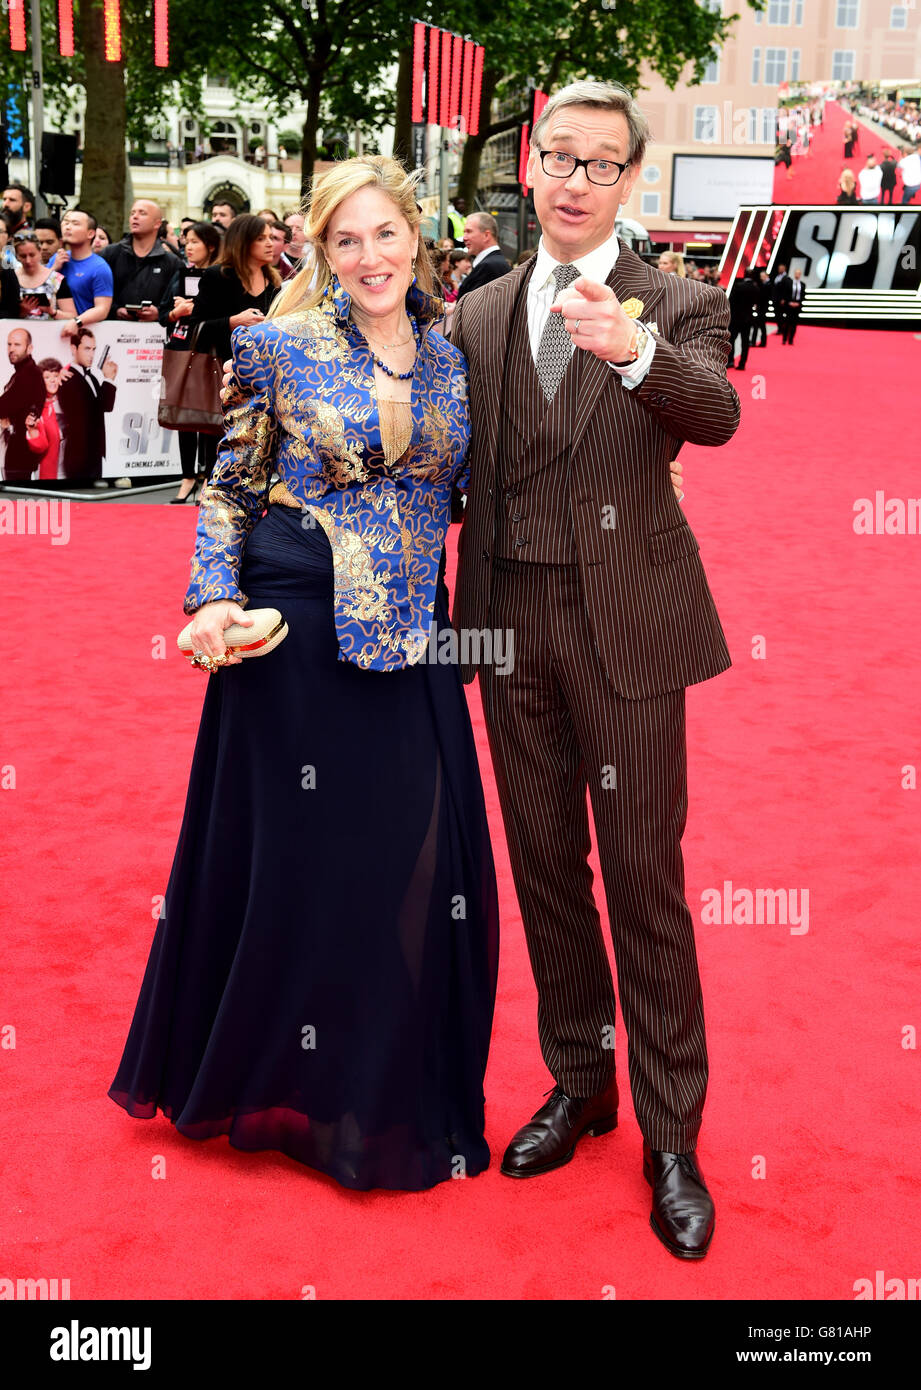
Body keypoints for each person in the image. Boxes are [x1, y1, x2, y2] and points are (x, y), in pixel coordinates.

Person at [108, 154, 501, 1194]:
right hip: (295, 626)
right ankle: (299, 1091)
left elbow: (464, 495)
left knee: (418, 861)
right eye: (345, 239)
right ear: (320, 252)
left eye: (383, 234)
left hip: (414, 633)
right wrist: (211, 600)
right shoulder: (277, 346)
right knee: (302, 863)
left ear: (413, 236)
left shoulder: (454, 359)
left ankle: (388, 1084)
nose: (369, 255)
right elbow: (229, 486)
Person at [449, 79, 740, 1260]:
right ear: (529, 165)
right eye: (557, 157)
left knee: (643, 877)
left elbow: (715, 414)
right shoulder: (474, 309)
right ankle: (583, 1080)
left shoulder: (681, 299)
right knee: (543, 865)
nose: (574, 180)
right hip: (504, 615)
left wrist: (635, 353)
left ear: (632, 181)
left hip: (627, 624)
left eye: (600, 163)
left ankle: (673, 1131)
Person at [161, 220, 223, 502]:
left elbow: (220, 314)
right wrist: (176, 312)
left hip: (209, 349)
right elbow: (163, 314)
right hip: (180, 347)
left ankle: (209, 478)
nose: (188, 246)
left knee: (209, 415)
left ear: (211, 245)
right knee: (183, 414)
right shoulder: (179, 273)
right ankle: (187, 477)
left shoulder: (220, 275)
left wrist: (195, 310)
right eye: (186, 242)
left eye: (195, 242)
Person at [188, 214, 279, 364]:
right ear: (243, 242)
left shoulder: (274, 283)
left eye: (271, 237)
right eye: (261, 238)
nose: (270, 244)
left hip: (264, 371)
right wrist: (231, 322)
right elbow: (196, 329)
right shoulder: (217, 276)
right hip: (221, 370)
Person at [101, 198, 183, 321]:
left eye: (142, 213)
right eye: (132, 213)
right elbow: (94, 292)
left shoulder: (172, 262)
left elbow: (179, 301)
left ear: (157, 224)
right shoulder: (110, 253)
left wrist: (159, 313)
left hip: (155, 334)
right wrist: (115, 310)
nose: (135, 217)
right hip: (112, 328)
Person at [56, 326, 118, 481]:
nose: (91, 354)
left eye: (94, 349)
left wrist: (109, 379)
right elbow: (87, 412)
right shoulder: (67, 378)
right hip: (78, 456)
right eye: (86, 349)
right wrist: (108, 380)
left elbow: (106, 407)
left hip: (94, 454)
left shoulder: (93, 378)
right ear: (73, 348)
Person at [55, 210, 113, 330]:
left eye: (75, 223)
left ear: (90, 233)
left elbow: (102, 309)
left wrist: (77, 322)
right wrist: (53, 268)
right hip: (54, 331)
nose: (68, 227)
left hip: (86, 332)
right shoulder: (56, 259)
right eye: (65, 222)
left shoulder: (100, 267)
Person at [0, 326, 46, 480]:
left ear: (29, 348)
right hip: (16, 448)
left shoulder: (29, 374)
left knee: (16, 495)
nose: (11, 349)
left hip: (20, 451)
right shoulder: (23, 372)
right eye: (9, 344)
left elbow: (4, 407)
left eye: (17, 345)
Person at [13, 232, 75, 320]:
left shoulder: (56, 280)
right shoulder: (11, 278)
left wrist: (51, 311)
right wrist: (21, 312)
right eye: (23, 256)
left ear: (40, 251)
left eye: (32, 255)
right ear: (17, 256)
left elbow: (72, 316)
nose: (28, 261)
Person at [24, 356, 64, 480]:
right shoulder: (37, 408)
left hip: (72, 469)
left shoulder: (69, 403)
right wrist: (33, 431)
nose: (52, 380)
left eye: (55, 376)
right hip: (48, 472)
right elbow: (40, 447)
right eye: (47, 377)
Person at [457, 213, 511, 298]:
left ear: (486, 235)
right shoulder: (493, 263)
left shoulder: (489, 266)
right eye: (464, 232)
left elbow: (473, 307)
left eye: (469, 231)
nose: (464, 237)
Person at [781, 266, 806, 343]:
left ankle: (791, 339)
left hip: (797, 306)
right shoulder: (789, 283)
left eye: (799, 274)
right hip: (789, 305)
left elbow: (803, 295)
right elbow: (785, 293)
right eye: (796, 273)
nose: (797, 275)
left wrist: (798, 303)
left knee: (794, 323)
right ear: (794, 274)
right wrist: (789, 302)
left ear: (800, 275)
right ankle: (784, 338)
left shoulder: (802, 284)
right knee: (787, 322)